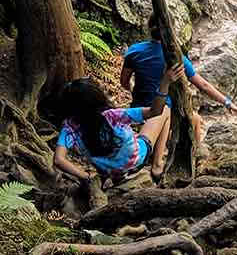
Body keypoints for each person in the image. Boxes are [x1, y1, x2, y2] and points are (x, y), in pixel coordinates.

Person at [120, 14, 237, 161]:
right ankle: (193, 157)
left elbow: (124, 82)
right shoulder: (176, 59)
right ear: (170, 30)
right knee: (195, 120)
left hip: (140, 111)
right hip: (164, 113)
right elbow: (203, 85)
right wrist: (228, 103)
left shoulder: (134, 51)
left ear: (149, 29)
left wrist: (134, 91)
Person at [53, 64, 183, 184]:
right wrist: (165, 82)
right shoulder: (113, 116)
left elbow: (59, 159)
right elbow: (155, 111)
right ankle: (157, 165)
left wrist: (85, 176)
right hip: (136, 160)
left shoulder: (69, 128)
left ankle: (121, 170)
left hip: (109, 172)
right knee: (165, 109)